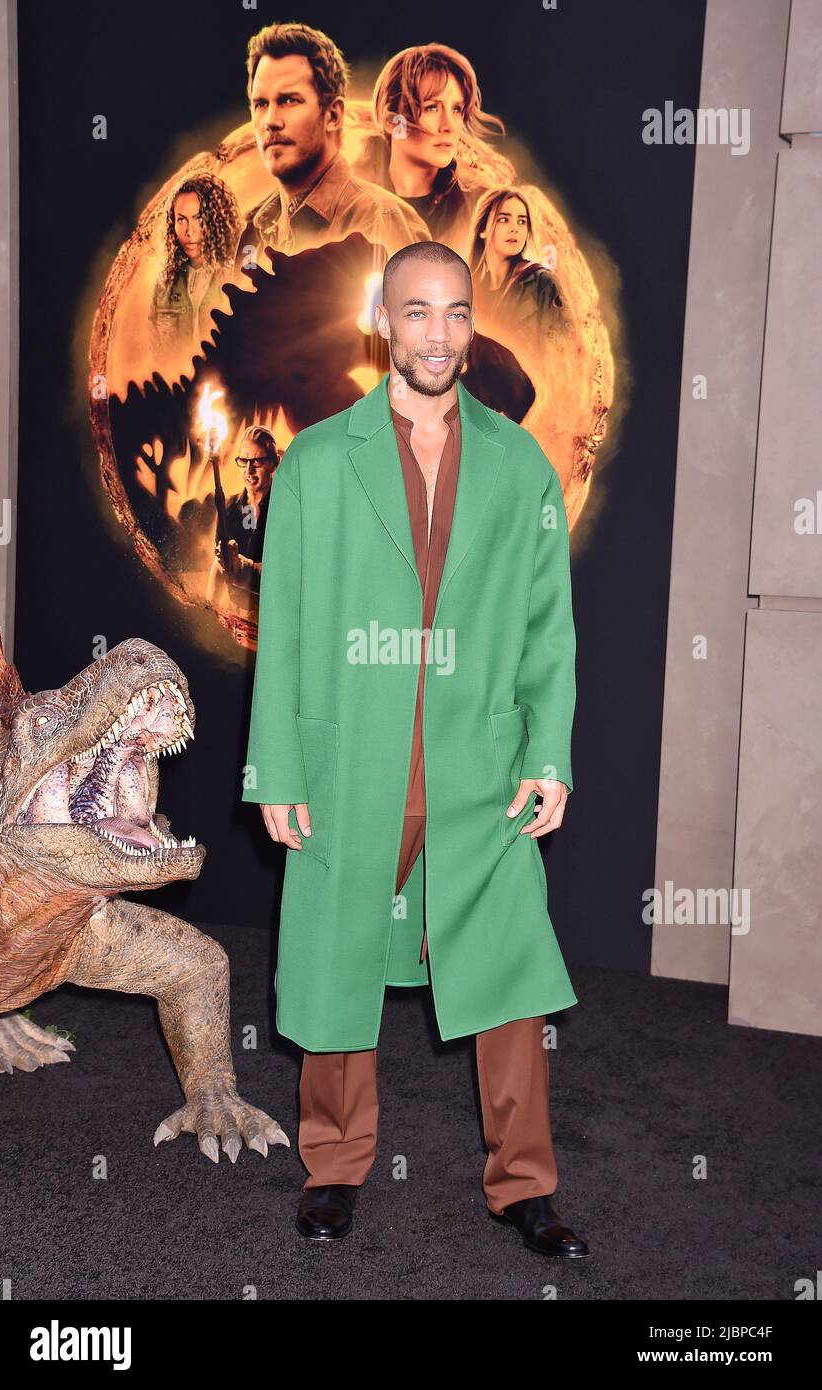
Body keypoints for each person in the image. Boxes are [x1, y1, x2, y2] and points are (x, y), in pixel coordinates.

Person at [243, 241, 588, 1260]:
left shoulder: (517, 461)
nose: (436, 333)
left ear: (470, 323)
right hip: (351, 753)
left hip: (478, 761)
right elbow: (288, 623)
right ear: (381, 321)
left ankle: (522, 1185)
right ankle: (334, 1170)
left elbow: (546, 626)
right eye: (416, 312)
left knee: (512, 976)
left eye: (454, 313)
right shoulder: (312, 460)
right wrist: (276, 768)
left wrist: (549, 753)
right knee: (336, 958)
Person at [234, 22, 430, 270]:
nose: (271, 121)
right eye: (261, 104)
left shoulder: (376, 219)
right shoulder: (253, 230)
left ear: (333, 115)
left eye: (290, 100)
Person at [351, 42, 499, 255]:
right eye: (432, 107)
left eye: (457, 109)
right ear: (393, 121)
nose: (449, 125)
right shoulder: (350, 200)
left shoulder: (481, 209)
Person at [149, 174, 242, 351]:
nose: (189, 232)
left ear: (216, 221)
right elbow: (153, 351)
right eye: (181, 219)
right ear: (172, 224)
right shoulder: (164, 284)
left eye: (198, 218)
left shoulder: (236, 276)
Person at [467, 186, 570, 344]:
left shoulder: (543, 283)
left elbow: (563, 351)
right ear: (483, 230)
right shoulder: (472, 292)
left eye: (522, 221)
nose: (515, 228)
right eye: (504, 219)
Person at [206, 425, 279, 604]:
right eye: (244, 460)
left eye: (257, 461)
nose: (249, 470)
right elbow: (223, 566)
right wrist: (226, 556)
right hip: (239, 608)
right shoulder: (230, 508)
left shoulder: (288, 508)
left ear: (274, 463)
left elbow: (288, 571)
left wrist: (243, 566)